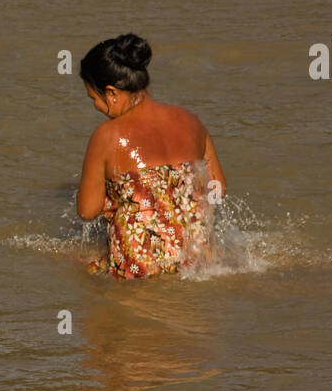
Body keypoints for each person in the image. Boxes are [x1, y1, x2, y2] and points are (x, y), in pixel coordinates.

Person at [76, 33, 227, 279]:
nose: (96, 107)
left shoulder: (107, 136)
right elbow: (217, 188)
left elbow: (87, 210)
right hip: (197, 263)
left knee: (68, 263)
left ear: (112, 93)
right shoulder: (191, 120)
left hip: (140, 271)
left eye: (94, 98)